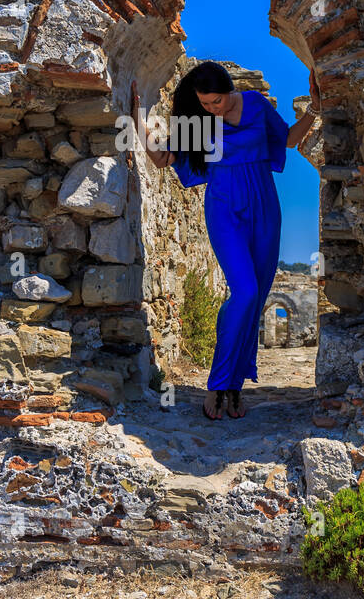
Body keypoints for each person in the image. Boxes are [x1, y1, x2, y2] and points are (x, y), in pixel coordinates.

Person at [131, 61, 320, 420]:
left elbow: (291, 140)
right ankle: (218, 384)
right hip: (223, 210)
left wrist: (314, 109)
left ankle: (235, 386)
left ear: (229, 91)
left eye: (215, 102)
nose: (210, 109)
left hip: (265, 207)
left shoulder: (257, 106)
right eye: (204, 104)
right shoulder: (200, 124)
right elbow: (162, 158)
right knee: (245, 292)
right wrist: (137, 121)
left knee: (256, 298)